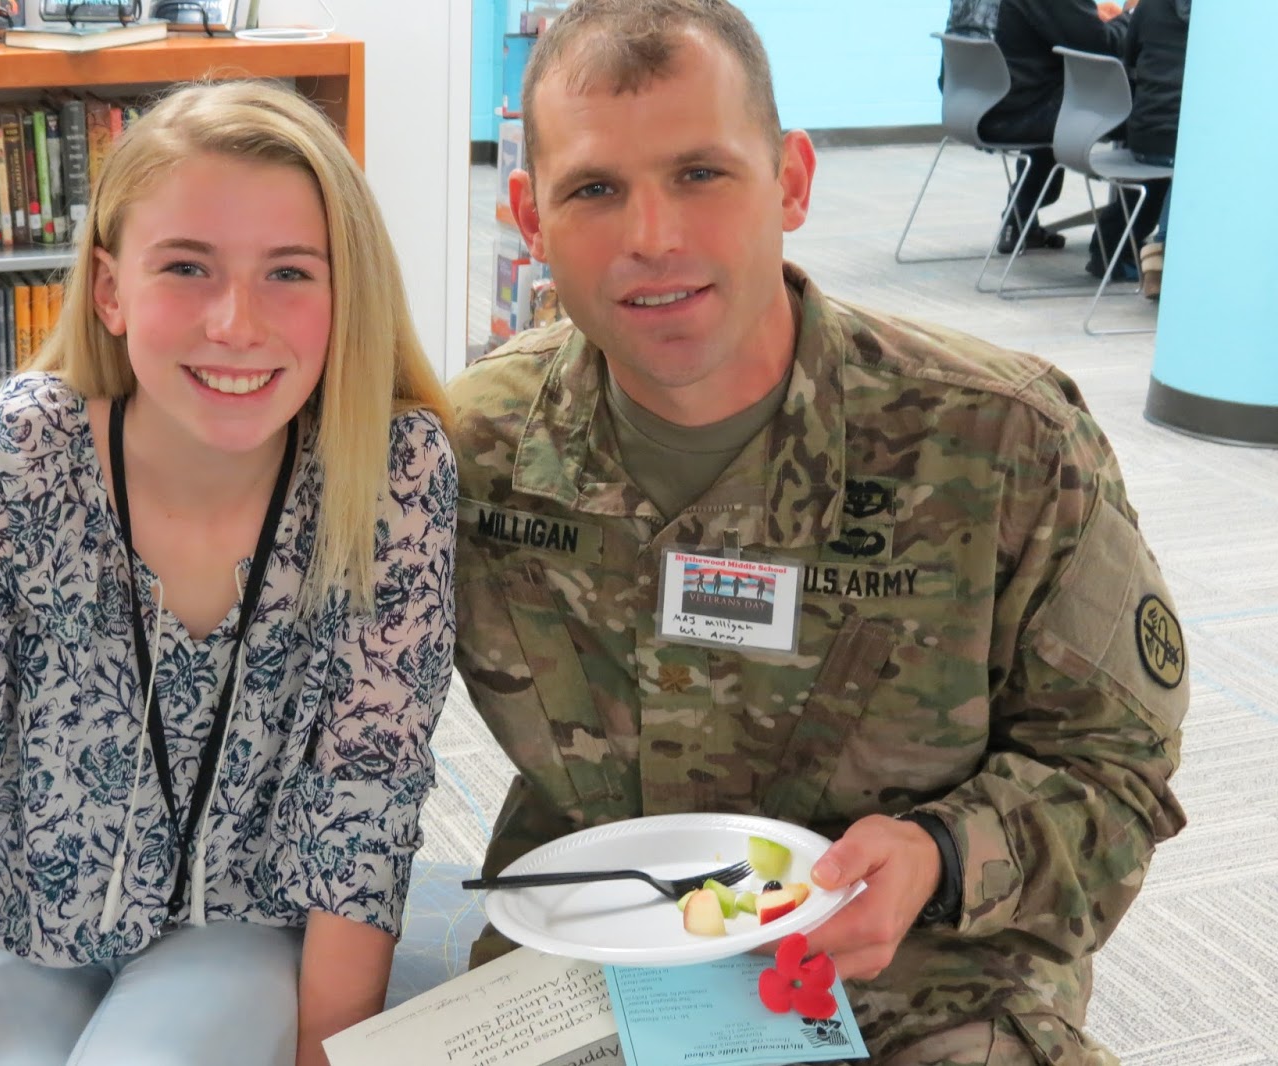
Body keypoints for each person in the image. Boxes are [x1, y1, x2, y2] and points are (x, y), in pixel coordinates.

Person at [449, 1, 1188, 1063]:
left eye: (700, 173)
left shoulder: (1000, 441)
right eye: (596, 189)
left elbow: (1117, 776)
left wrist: (938, 853)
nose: (652, 235)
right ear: (531, 216)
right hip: (592, 966)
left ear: (790, 180)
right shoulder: (472, 449)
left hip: (922, 976)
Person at [0, 80, 457, 1066]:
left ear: (350, 297)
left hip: (241, 926)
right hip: (22, 925)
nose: (236, 322)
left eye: (290, 272)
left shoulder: (392, 473)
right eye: (187, 267)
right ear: (112, 289)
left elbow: (363, 811)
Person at [980, 0, 1135, 255]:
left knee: (1063, 98)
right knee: (1148, 111)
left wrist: (1091, 19)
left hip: (973, 103)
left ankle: (1019, 220)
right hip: (1019, 110)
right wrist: (1132, 15)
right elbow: (1102, 45)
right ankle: (1120, 248)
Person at [1097, 0, 1191, 297]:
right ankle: (1161, 252)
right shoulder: (1227, 21)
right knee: (1201, 161)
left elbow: (1129, 56)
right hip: (1185, 144)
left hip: (1142, 136)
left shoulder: (1149, 4)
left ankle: (1112, 248)